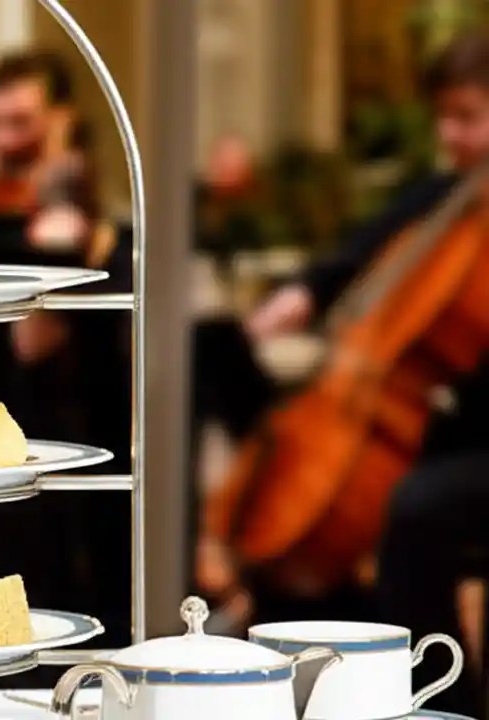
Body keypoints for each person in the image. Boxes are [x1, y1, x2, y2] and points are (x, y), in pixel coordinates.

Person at [203, 32, 489, 715]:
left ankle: (441, 700)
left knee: (412, 510)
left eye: (468, 118)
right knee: (218, 358)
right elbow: (358, 252)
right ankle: (304, 663)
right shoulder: (450, 197)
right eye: (442, 118)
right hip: (426, 419)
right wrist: (297, 295)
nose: (450, 137)